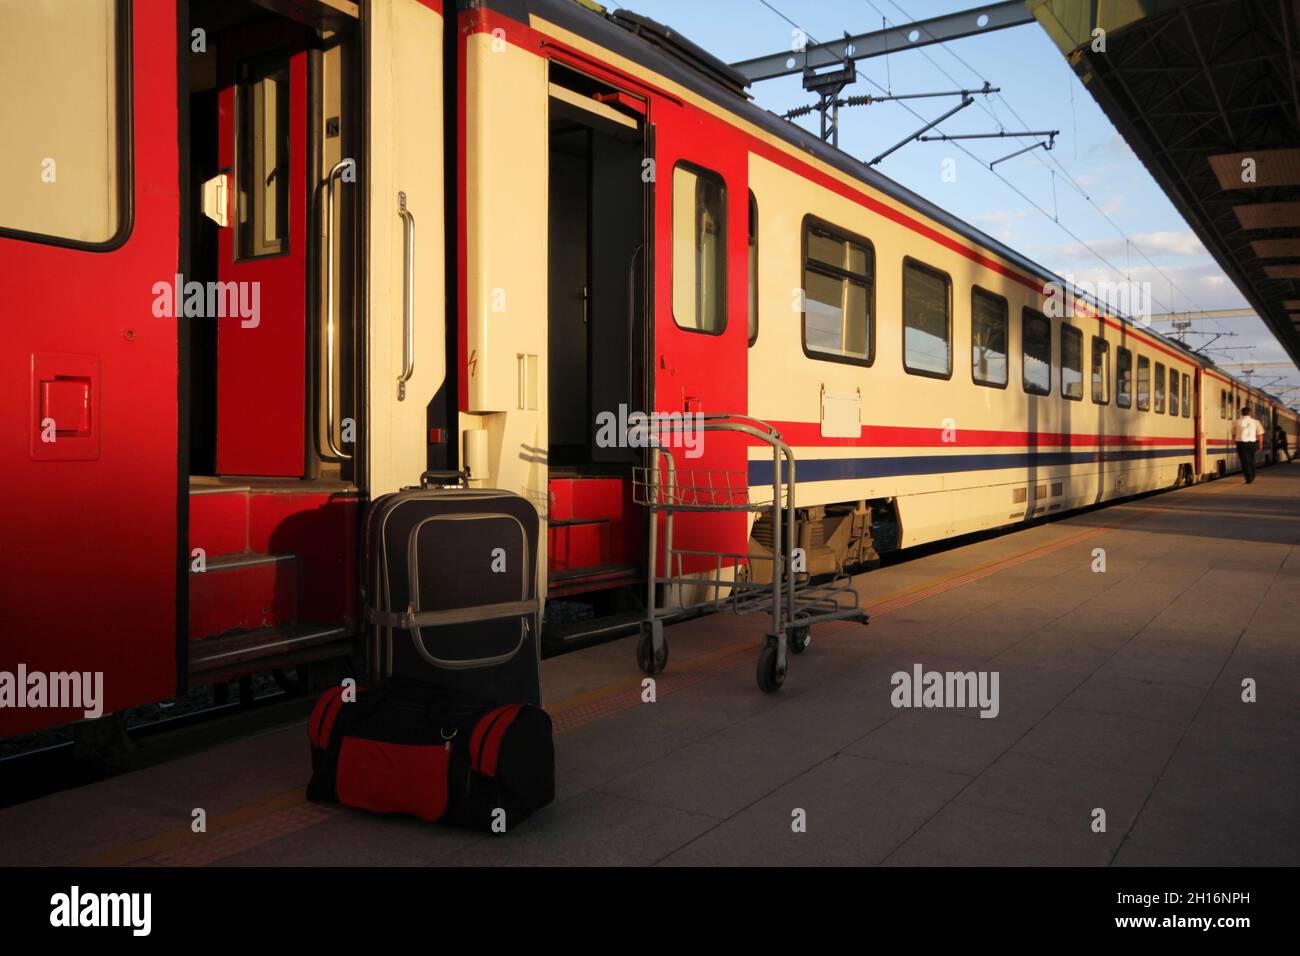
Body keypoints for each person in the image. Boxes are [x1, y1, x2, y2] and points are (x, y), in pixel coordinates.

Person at [1233, 405, 1265, 483]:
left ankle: (1248, 478)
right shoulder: (1256, 422)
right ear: (1251, 413)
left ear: (1242, 413)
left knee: (1244, 461)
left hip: (1241, 443)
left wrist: (1235, 442)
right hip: (1252, 443)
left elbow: (1233, 434)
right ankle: (1253, 476)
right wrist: (1260, 444)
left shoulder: (1236, 422)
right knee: (1251, 460)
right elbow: (1260, 434)